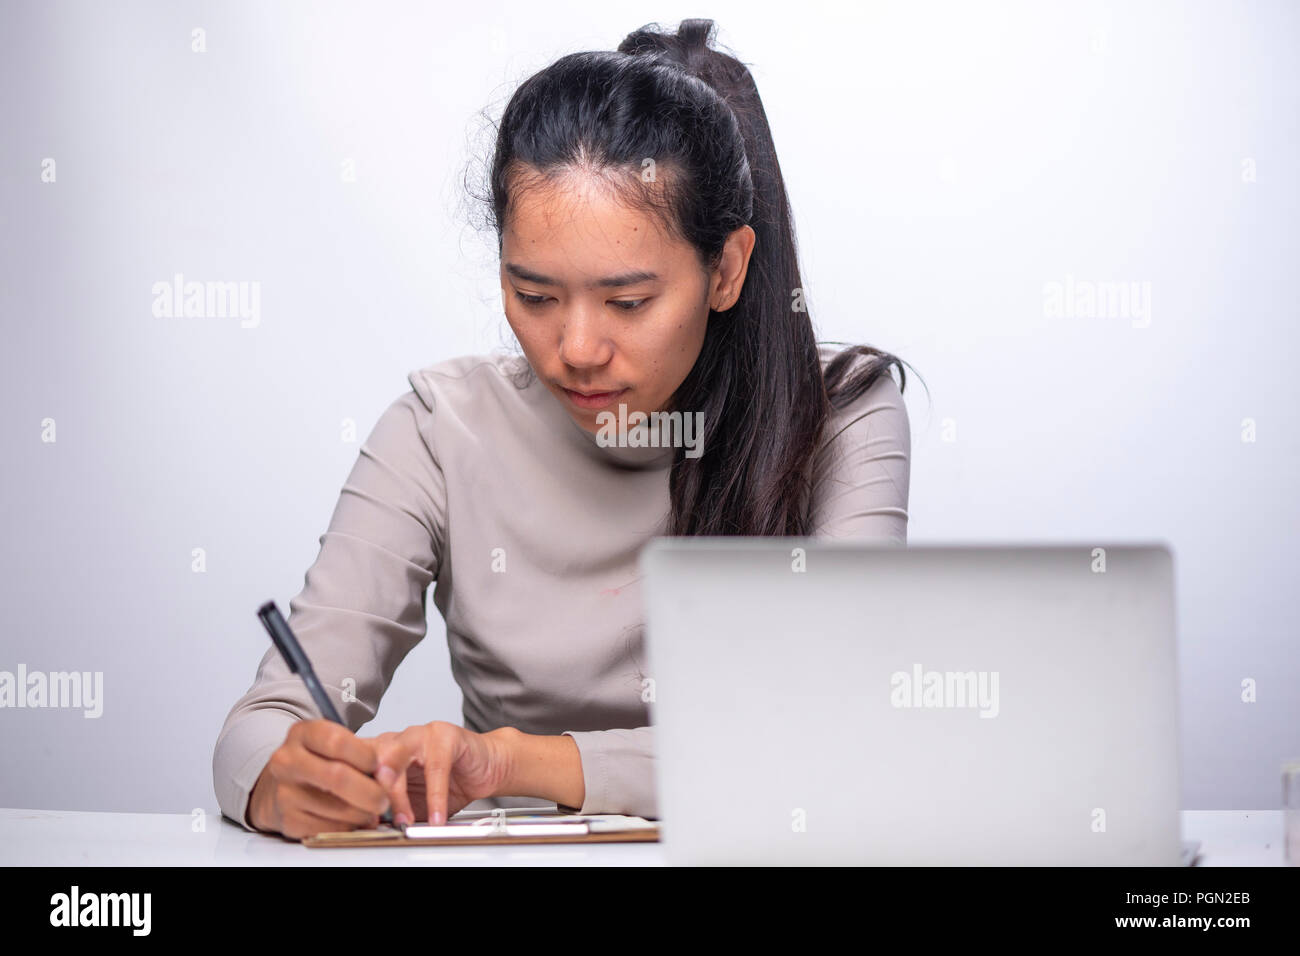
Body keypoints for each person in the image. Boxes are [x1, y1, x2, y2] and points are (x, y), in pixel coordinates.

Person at [212, 18, 916, 839]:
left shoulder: (840, 417)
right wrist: (276, 777)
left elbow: (838, 738)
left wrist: (513, 763)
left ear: (725, 268)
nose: (577, 350)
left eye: (628, 302)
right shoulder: (442, 431)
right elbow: (258, 728)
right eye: (535, 297)